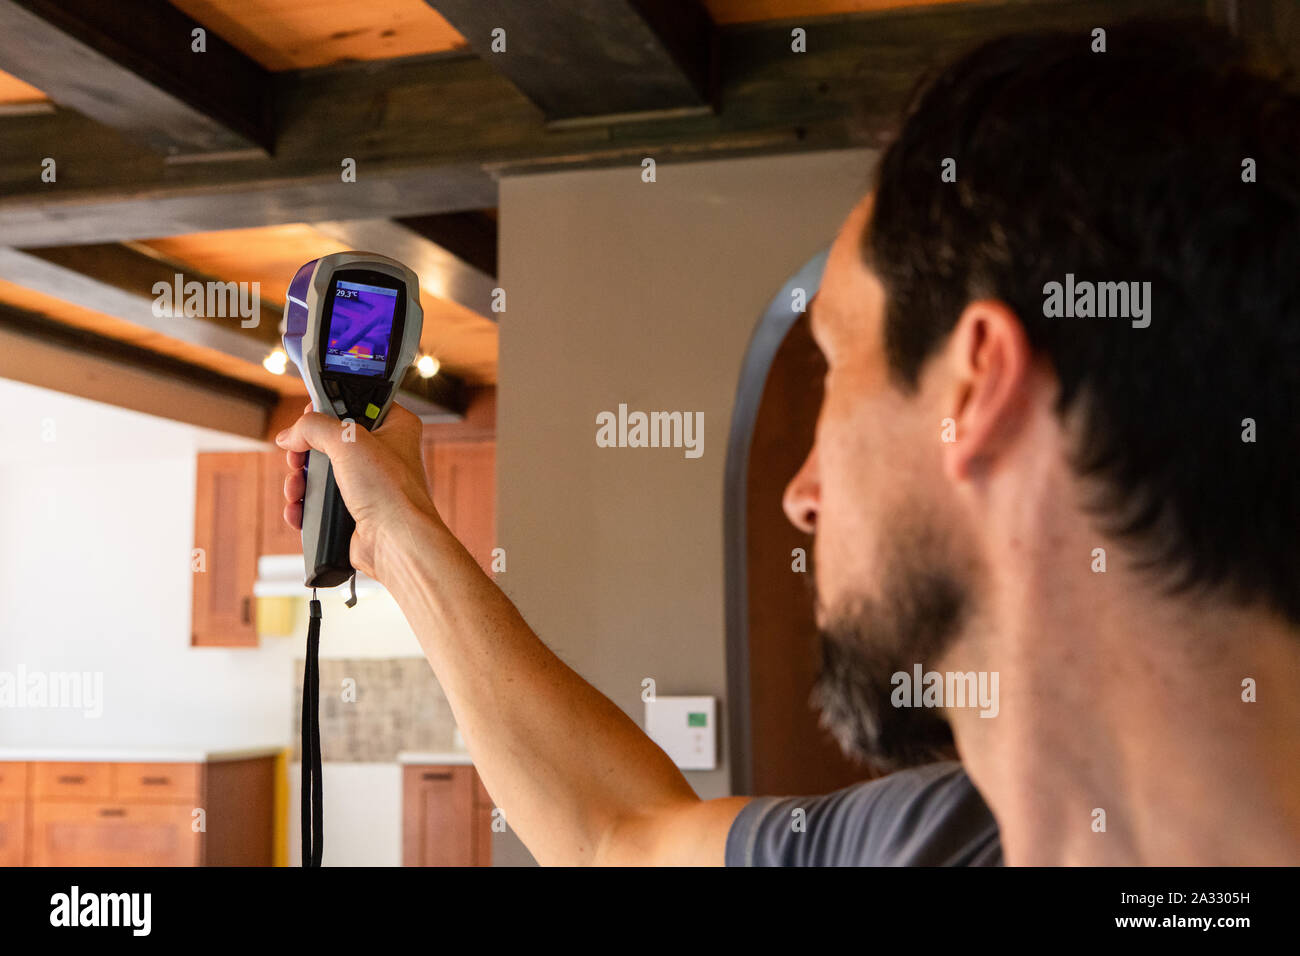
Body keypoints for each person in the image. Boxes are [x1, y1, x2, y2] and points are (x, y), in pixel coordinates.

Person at [276, 20, 1300, 865]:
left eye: (834, 364)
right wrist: (393, 533)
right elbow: (609, 833)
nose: (800, 496)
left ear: (977, 385)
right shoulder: (924, 841)